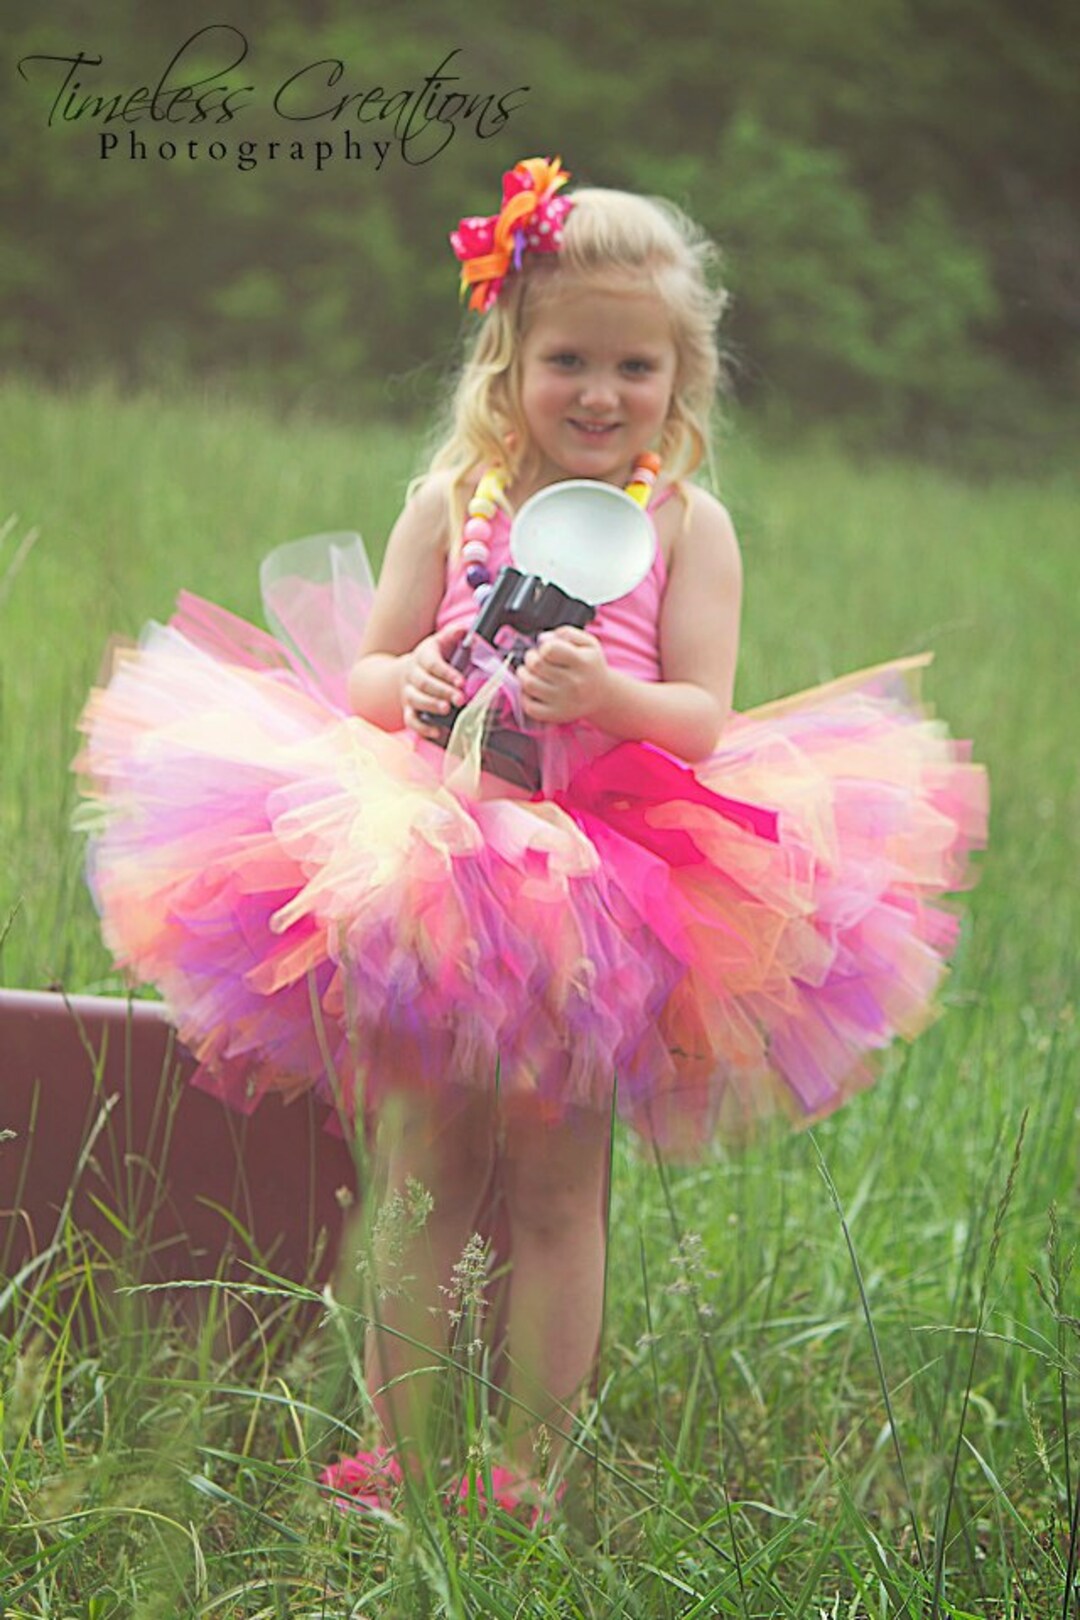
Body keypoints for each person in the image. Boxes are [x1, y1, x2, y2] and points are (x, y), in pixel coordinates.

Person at [76, 157, 987, 1519]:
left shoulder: (689, 527)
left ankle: (531, 1465)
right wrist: (424, 676)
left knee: (560, 1189)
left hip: (606, 889)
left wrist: (609, 699)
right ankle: (396, 1447)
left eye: (637, 365)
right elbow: (370, 676)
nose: (602, 394)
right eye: (569, 358)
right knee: (427, 1170)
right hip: (440, 865)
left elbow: (700, 715)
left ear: (684, 379)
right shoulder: (452, 503)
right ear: (509, 359)